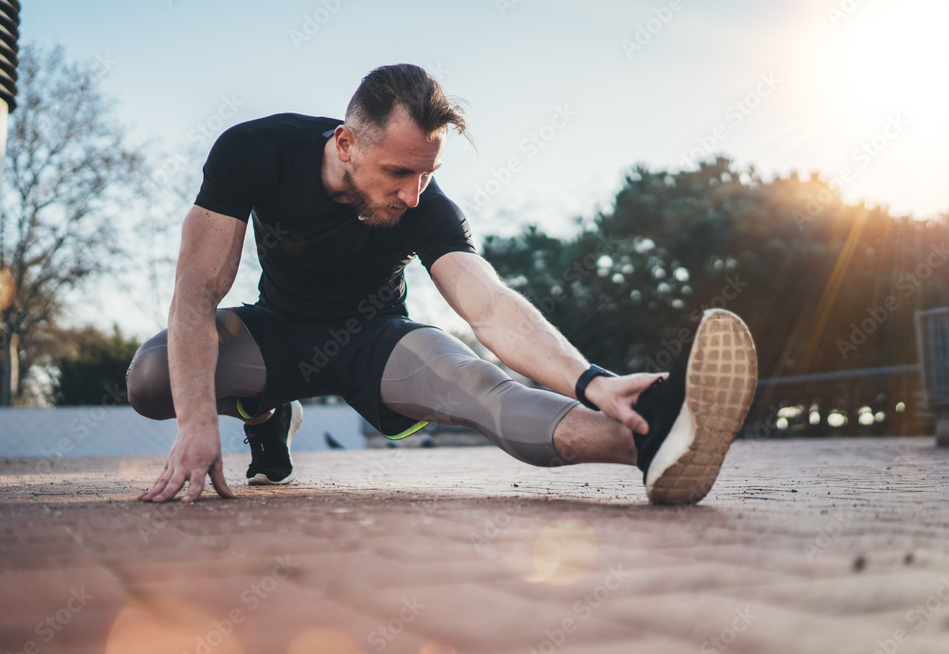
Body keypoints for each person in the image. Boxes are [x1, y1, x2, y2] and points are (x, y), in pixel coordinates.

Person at [126, 63, 758, 506]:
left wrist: (594, 381)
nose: (412, 193)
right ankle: (267, 415)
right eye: (398, 172)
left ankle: (657, 437)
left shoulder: (427, 206)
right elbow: (196, 290)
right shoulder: (256, 151)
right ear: (345, 143)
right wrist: (197, 424)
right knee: (153, 377)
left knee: (482, 390)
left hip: (376, 343)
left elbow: (490, 307)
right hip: (276, 336)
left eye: (426, 175)